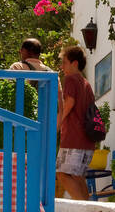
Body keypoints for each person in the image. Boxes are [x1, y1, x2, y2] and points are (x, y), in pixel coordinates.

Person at [57, 44, 94, 200]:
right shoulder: (86, 83)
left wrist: (58, 124)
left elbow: (69, 103)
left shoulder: (71, 79)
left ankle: (82, 207)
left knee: (62, 173)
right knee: (78, 177)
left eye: (64, 62)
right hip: (87, 139)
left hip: (74, 138)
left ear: (74, 63)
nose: (62, 66)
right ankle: (88, 210)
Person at [9, 37, 62, 117]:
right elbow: (59, 101)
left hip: (21, 120)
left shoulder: (17, 67)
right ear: (39, 53)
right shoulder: (51, 73)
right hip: (44, 121)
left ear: (24, 51)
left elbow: (8, 92)